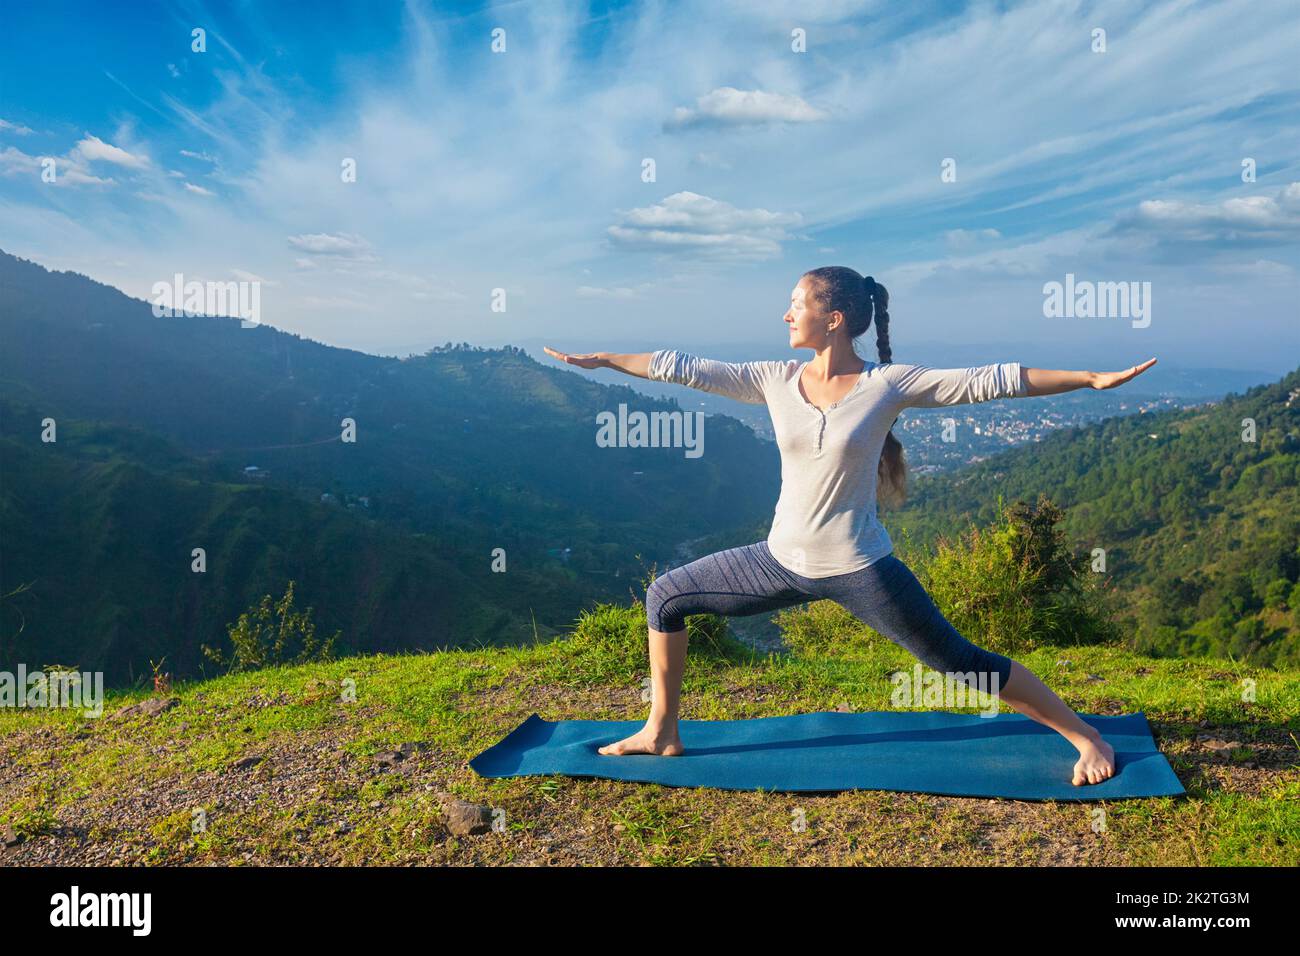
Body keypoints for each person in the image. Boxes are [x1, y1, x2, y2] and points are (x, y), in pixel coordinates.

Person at [543, 266, 1156, 786]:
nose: (784, 315)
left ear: (833, 318)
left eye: (795, 305)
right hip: (778, 560)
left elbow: (990, 381)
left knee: (956, 660)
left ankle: (1087, 737)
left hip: (860, 568)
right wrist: (606, 361)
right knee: (665, 596)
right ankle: (661, 730)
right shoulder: (773, 379)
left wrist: (1090, 378)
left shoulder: (885, 385)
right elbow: (682, 367)